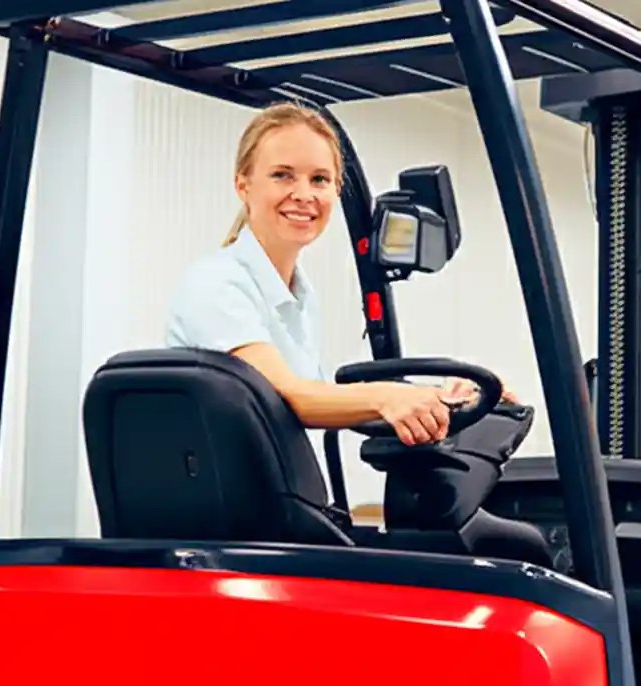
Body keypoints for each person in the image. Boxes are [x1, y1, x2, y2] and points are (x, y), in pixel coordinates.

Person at [164, 101, 512, 446]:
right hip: (233, 496)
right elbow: (292, 398)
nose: (303, 194)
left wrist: (441, 398)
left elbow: (319, 396)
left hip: (275, 489)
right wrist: (387, 397)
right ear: (243, 186)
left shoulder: (299, 294)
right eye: (282, 175)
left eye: (319, 179)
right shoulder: (216, 284)